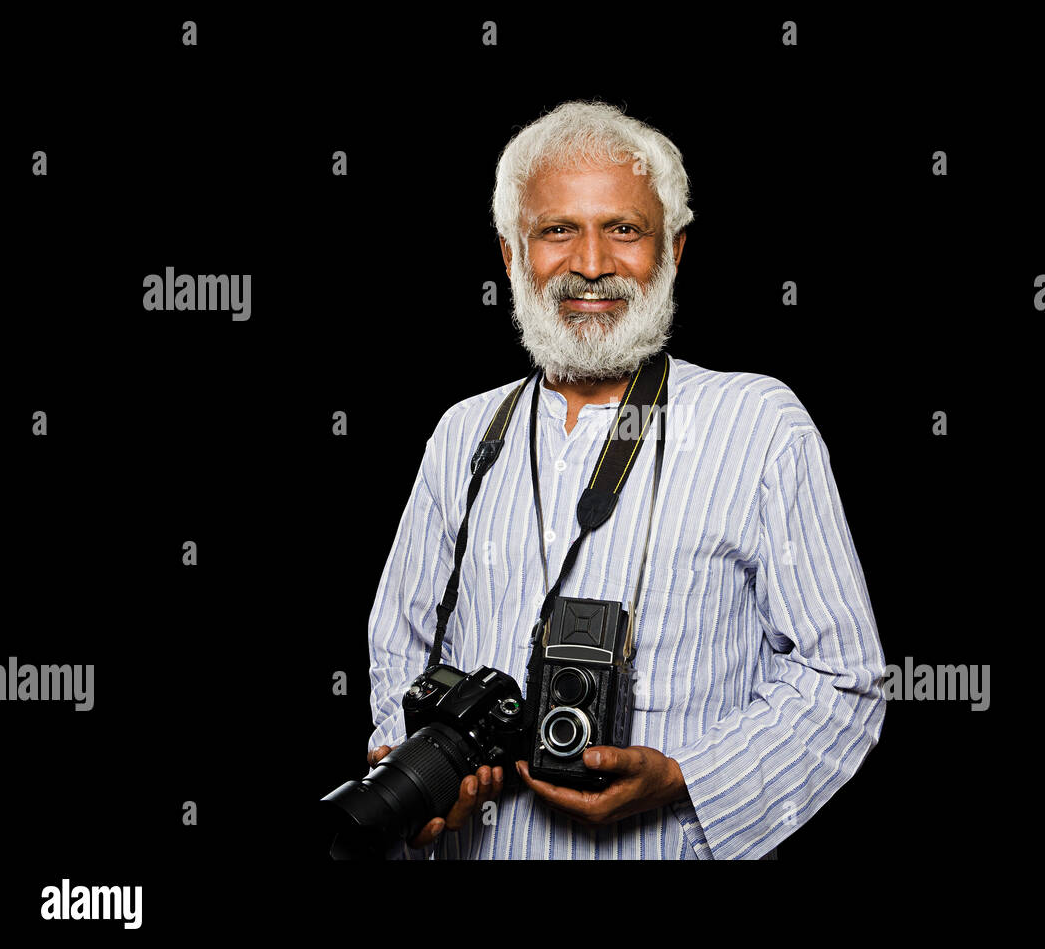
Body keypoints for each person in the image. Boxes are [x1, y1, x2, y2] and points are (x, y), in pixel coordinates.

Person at [364, 101, 885, 859]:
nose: (592, 263)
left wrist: (687, 780)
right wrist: (419, 769)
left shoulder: (760, 424)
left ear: (672, 249)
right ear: (511, 254)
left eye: (625, 230)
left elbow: (844, 678)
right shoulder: (463, 432)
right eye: (557, 230)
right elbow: (398, 641)